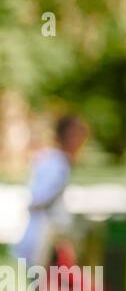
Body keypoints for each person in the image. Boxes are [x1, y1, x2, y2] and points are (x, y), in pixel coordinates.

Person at [12, 115, 89, 268]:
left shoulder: (54, 160)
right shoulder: (58, 164)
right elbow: (38, 199)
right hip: (42, 238)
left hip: (42, 236)